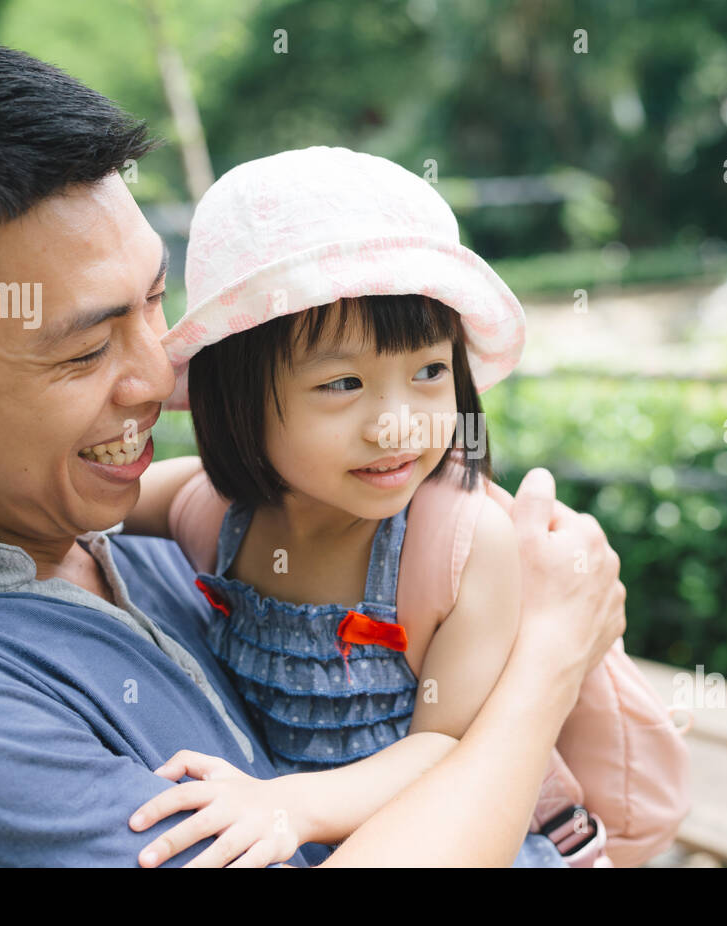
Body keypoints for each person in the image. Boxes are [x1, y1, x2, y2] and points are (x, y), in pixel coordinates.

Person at [0, 27, 625, 867]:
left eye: (154, 301)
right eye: (84, 348)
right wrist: (549, 658)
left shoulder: (97, 521)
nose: (156, 377)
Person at [108, 147, 687, 868]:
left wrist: (295, 804)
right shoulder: (213, 511)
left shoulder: (457, 544)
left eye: (429, 372)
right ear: (236, 398)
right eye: (343, 383)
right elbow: (92, 506)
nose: (397, 423)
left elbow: (445, 747)